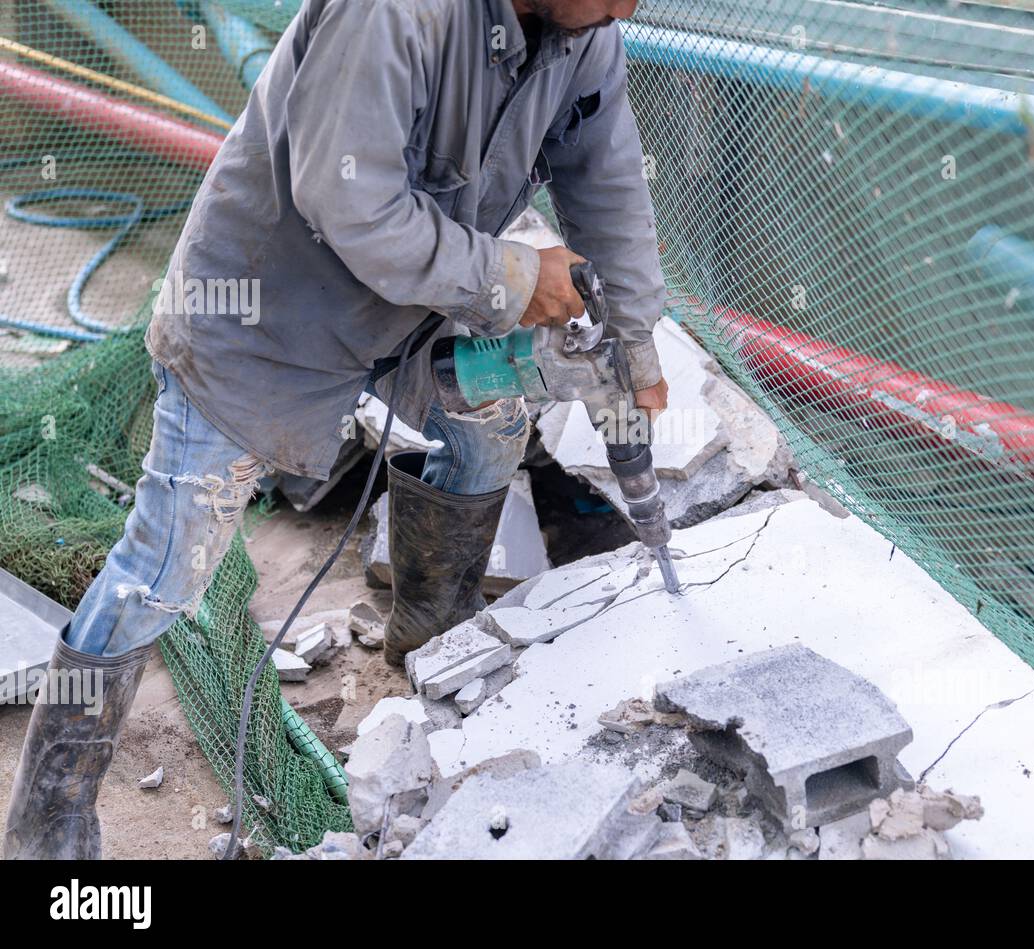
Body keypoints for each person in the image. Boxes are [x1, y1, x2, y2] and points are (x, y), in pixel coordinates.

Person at [4, 0, 667, 860]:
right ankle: (49, 820)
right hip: (264, 318)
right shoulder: (398, 13)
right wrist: (511, 274)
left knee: (495, 406)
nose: (629, 7)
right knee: (166, 567)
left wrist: (638, 347)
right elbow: (351, 203)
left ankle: (435, 633)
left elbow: (608, 180)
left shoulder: (584, 35)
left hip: (419, 310)